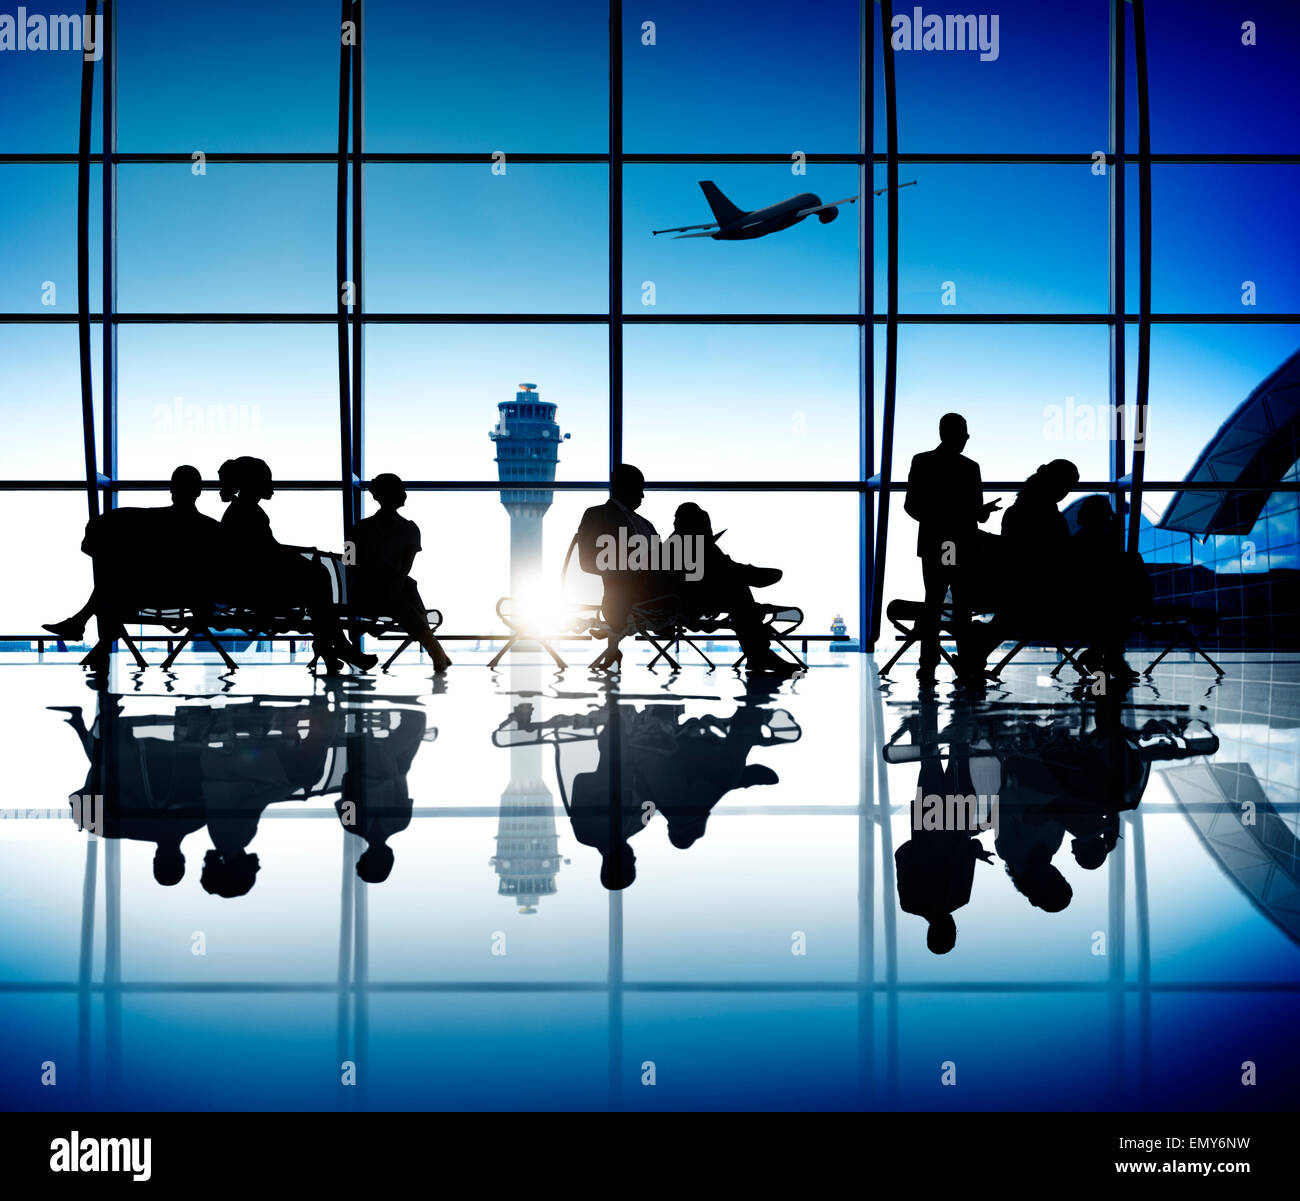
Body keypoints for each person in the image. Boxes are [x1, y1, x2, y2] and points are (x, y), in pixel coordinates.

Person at [43, 465, 220, 665]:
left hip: (152, 594)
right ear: (198, 491)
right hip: (186, 595)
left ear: (172, 489)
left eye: (175, 486)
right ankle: (83, 627)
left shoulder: (156, 520)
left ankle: (84, 627)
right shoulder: (210, 527)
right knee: (116, 581)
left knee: (114, 581)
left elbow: (118, 523)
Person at [217, 456, 377, 673]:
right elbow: (264, 555)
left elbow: (263, 551)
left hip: (252, 587)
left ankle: (333, 647)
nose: (272, 485)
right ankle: (336, 646)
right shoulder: (247, 513)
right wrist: (300, 559)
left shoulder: (242, 511)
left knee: (317, 584)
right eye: (268, 479)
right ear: (253, 482)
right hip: (258, 593)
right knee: (318, 583)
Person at [958, 457, 1080, 680]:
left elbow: (1015, 557)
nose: (1066, 493)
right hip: (1036, 591)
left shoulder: (1017, 512)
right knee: (1017, 609)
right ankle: (977, 650)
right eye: (1067, 487)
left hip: (1017, 589)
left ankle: (976, 651)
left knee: (1010, 612)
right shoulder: (1051, 517)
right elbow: (1060, 557)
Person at [903, 415, 1001, 685]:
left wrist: (942, 517)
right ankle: (967, 663)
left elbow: (912, 506)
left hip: (936, 543)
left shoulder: (922, 461)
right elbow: (975, 516)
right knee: (962, 606)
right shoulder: (971, 468)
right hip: (961, 543)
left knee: (934, 604)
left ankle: (929, 665)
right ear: (961, 435)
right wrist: (977, 513)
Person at [668, 502, 798, 676]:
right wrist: (752, 574)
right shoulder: (699, 546)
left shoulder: (676, 545)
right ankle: (759, 653)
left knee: (739, 593)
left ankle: (758, 653)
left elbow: (721, 570)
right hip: (690, 603)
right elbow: (727, 569)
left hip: (686, 599)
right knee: (739, 590)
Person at [346, 473, 452, 671]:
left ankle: (435, 650)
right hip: (370, 591)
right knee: (404, 589)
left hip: (390, 590)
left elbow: (348, 561)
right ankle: (435, 650)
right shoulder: (409, 529)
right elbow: (405, 567)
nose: (404, 494)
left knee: (401, 594)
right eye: (400, 489)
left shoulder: (359, 528)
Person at [574, 464, 675, 670]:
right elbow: (587, 561)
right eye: (639, 488)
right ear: (623, 487)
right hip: (628, 594)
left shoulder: (645, 524)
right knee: (724, 581)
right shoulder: (597, 515)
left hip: (659, 586)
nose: (643, 496)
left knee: (700, 562)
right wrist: (635, 566)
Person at [1070, 496, 1152, 680]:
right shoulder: (1104, 543)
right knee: (1116, 610)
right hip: (1098, 604)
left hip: (1086, 602)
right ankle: (1106, 656)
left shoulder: (1078, 542)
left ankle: (1100, 655)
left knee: (1112, 609)